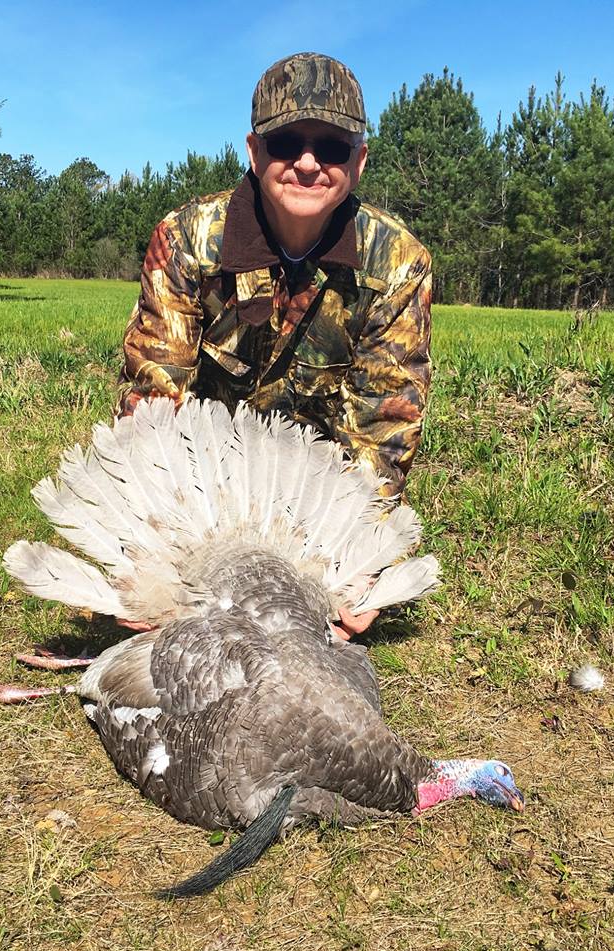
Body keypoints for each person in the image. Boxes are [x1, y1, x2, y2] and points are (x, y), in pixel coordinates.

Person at [119, 52, 432, 640]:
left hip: (314, 501)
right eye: (287, 141)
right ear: (255, 152)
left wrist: (357, 560)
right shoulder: (186, 240)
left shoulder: (398, 262)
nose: (309, 164)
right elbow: (154, 399)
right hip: (203, 493)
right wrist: (148, 544)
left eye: (333, 147)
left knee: (328, 626)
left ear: (358, 162)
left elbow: (382, 427)